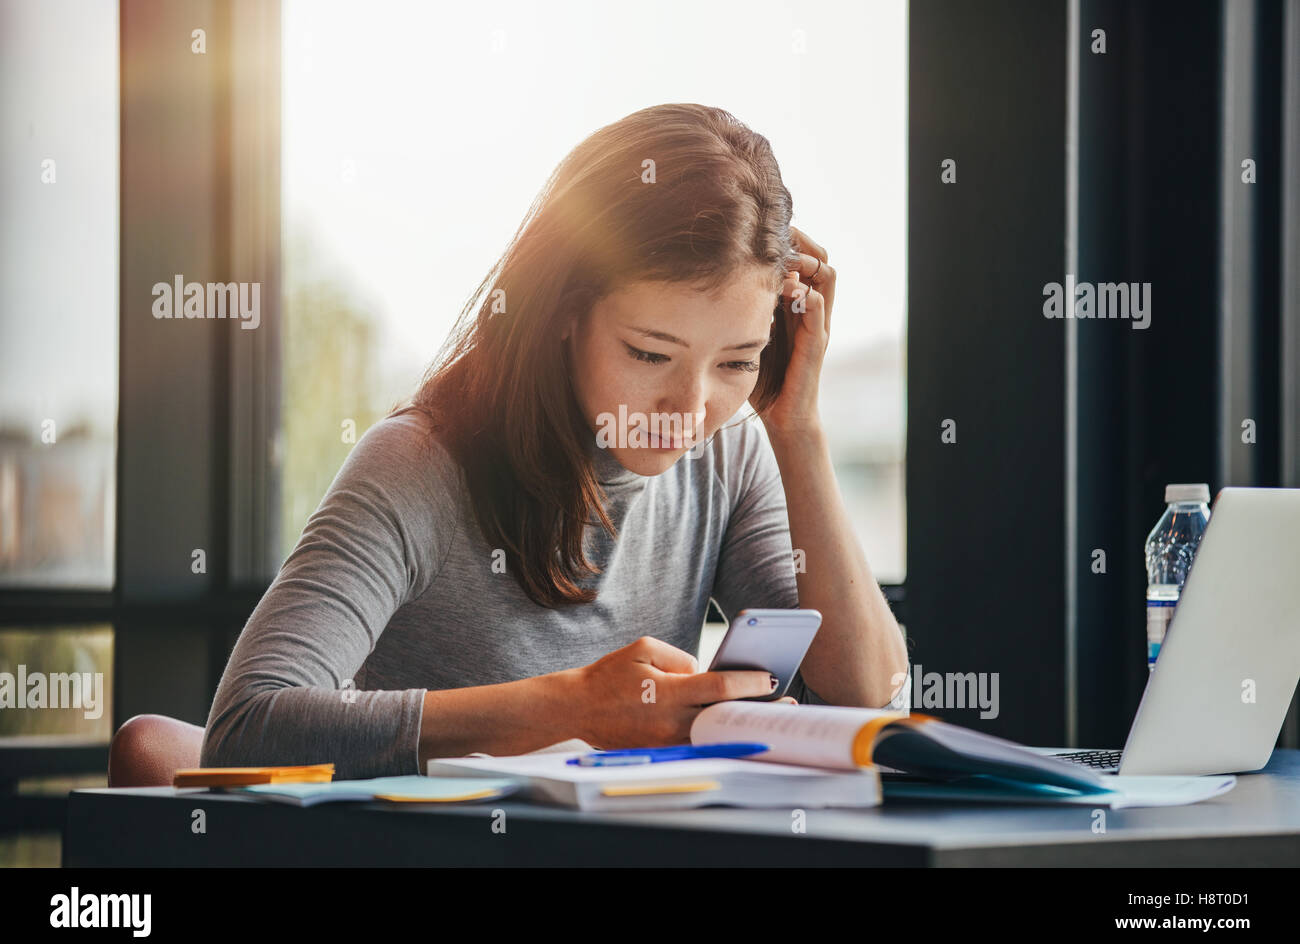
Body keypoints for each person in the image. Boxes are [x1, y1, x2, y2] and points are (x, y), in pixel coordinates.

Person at [201, 103, 912, 779]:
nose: (691, 409)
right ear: (563, 311)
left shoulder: (730, 453)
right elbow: (245, 728)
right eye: (649, 353)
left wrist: (800, 431)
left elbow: (872, 701)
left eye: (736, 362)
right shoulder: (417, 464)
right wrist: (570, 709)